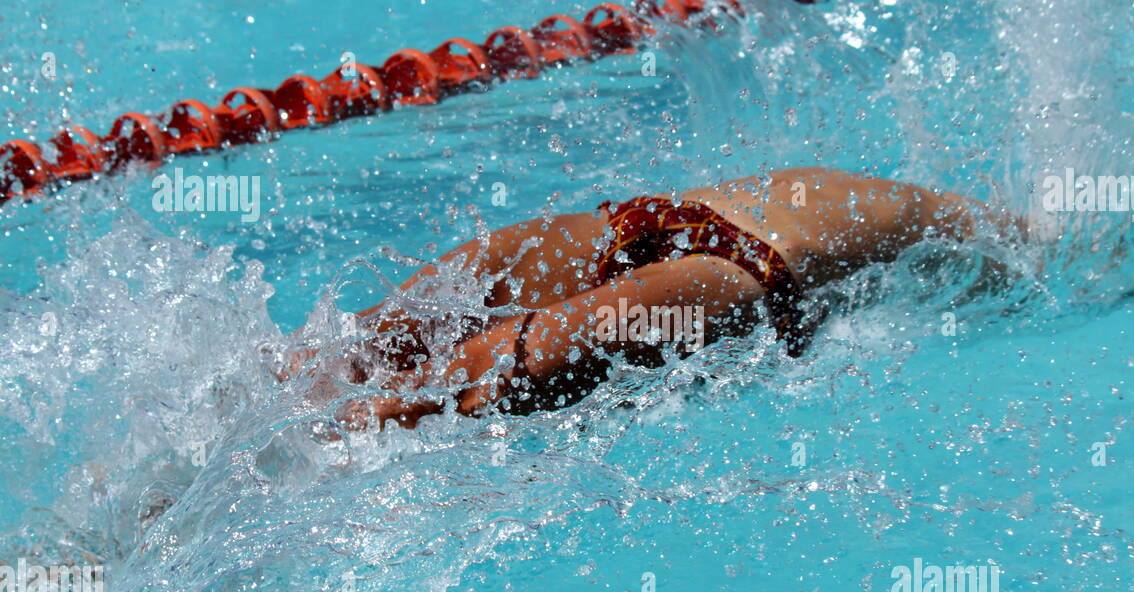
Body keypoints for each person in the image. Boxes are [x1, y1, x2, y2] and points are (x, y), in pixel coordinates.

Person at [278, 167, 1024, 428]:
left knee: (350, 356)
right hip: (737, 276)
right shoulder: (1001, 241)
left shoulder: (886, 201)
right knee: (450, 394)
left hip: (635, 224)